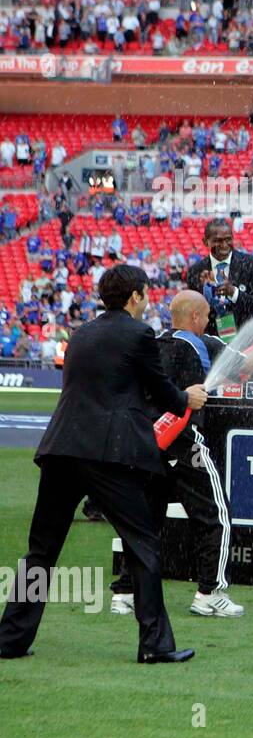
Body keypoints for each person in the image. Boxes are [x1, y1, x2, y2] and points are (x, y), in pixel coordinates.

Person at [0, 266, 206, 664]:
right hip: (107, 454)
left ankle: (10, 638)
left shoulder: (81, 333)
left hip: (62, 447)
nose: (146, 301)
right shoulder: (140, 334)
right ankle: (155, 645)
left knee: (41, 551)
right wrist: (186, 398)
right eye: (144, 294)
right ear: (134, 297)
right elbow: (160, 390)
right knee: (143, 545)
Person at [110, 291, 253, 618]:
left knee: (145, 520)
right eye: (207, 314)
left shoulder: (152, 342)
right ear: (195, 317)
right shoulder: (202, 343)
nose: (209, 320)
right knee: (215, 513)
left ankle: (125, 592)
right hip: (183, 441)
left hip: (149, 441)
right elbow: (247, 365)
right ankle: (209, 593)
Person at [185, 217, 253, 339]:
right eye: (218, 241)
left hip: (245, 340)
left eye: (228, 239)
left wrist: (234, 293)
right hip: (211, 343)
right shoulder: (195, 272)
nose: (224, 245)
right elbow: (193, 315)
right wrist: (205, 293)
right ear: (205, 241)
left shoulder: (252, 264)